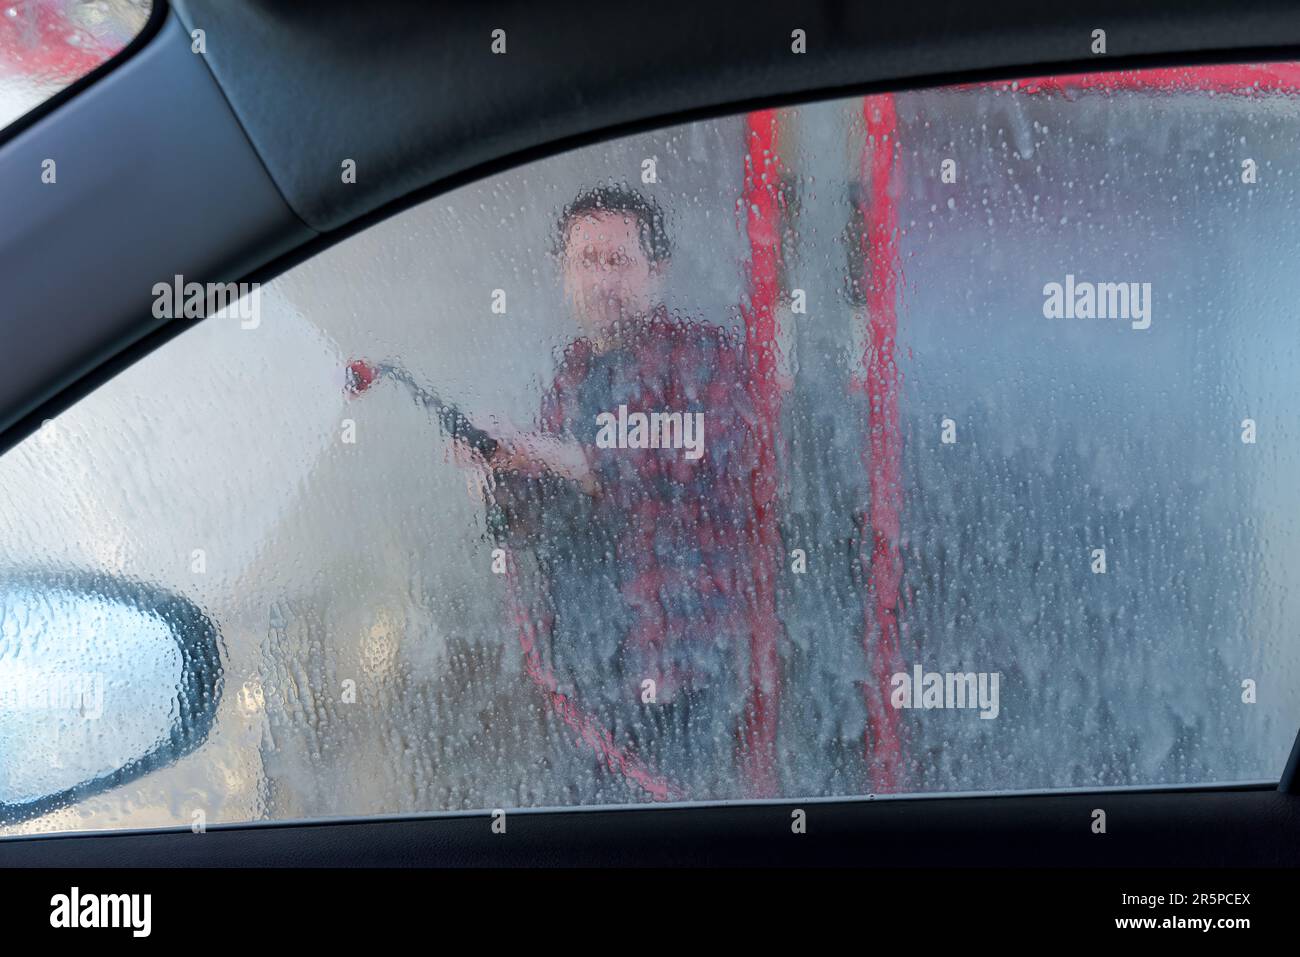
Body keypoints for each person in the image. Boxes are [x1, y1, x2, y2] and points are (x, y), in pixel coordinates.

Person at [463, 184, 772, 796]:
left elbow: (697, 467)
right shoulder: (570, 376)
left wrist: (565, 455)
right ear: (563, 275)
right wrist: (495, 481)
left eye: (618, 261)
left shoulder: (700, 356)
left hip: (682, 675)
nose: (600, 279)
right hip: (586, 678)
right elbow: (544, 523)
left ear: (657, 274)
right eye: (585, 261)